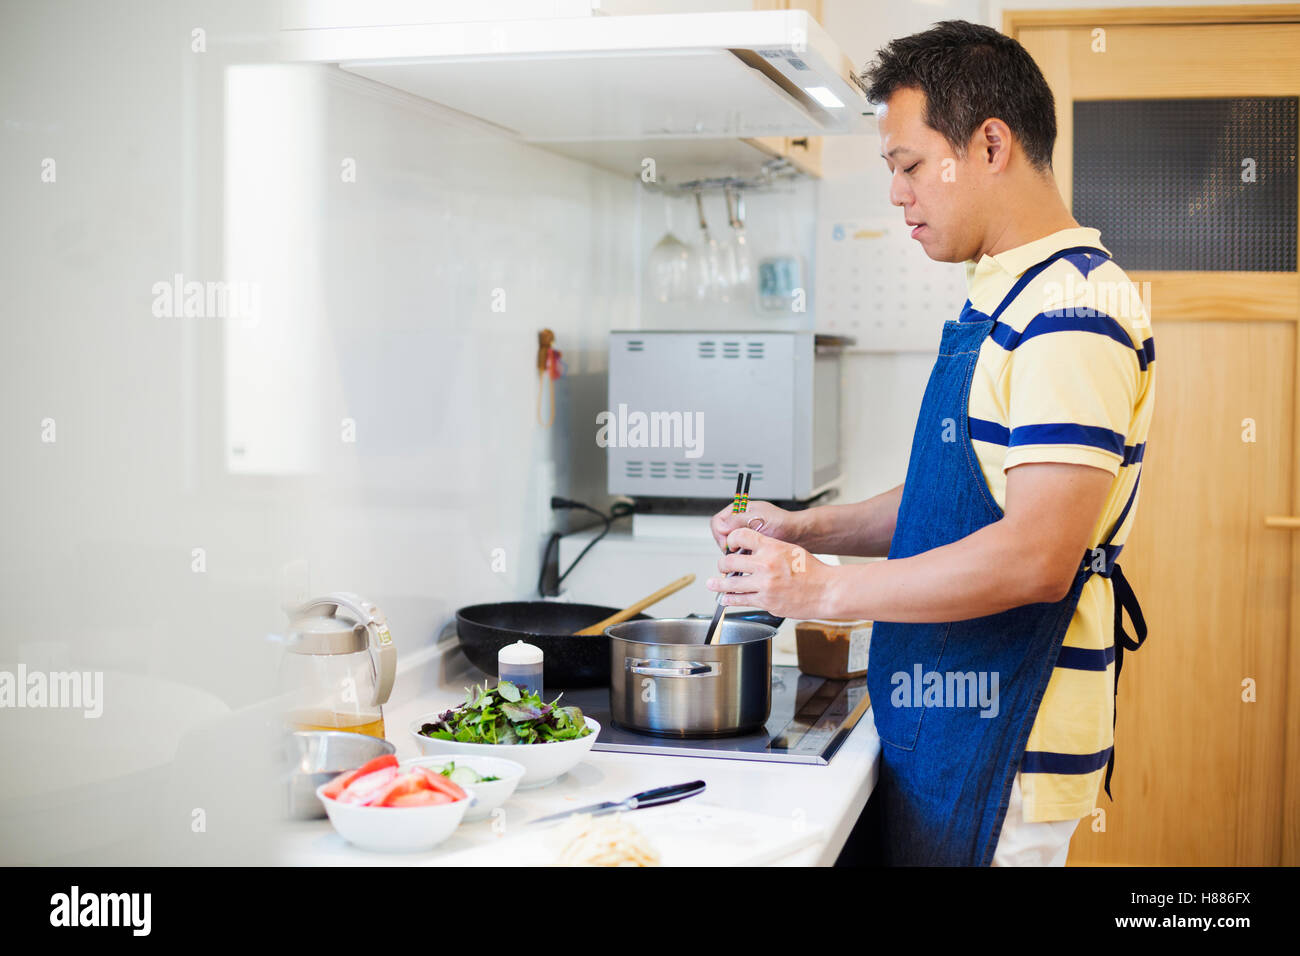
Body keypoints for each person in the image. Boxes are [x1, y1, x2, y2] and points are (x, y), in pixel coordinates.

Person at [708, 20, 1153, 866]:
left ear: (989, 144)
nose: (896, 194)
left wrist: (824, 590)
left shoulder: (1071, 312)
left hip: (1006, 747)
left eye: (909, 165)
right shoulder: (1004, 299)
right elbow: (961, 501)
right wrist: (805, 532)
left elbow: (1033, 557)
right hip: (949, 724)